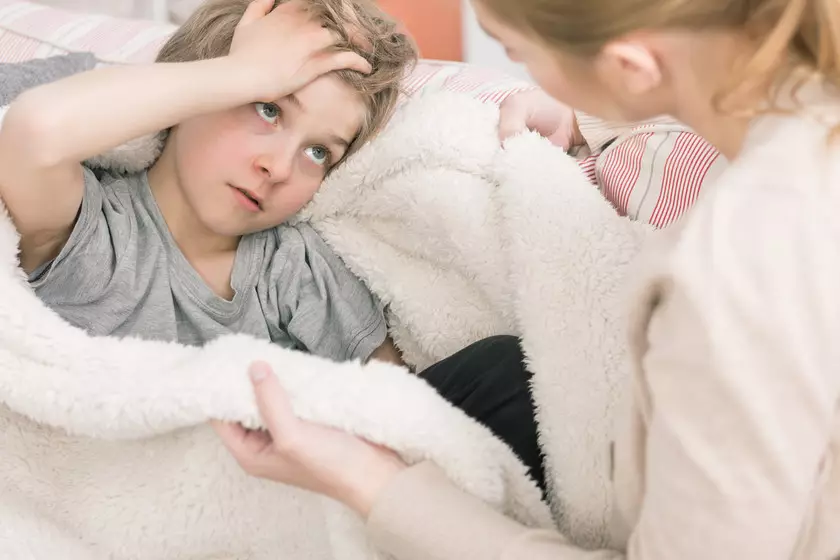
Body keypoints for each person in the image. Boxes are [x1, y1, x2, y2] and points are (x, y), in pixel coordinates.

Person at [214, 0, 840, 558]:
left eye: (515, 51)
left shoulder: (734, 272)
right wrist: (592, 113)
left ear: (630, 65)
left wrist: (375, 485)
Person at [0, 0, 548, 493]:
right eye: (267, 109)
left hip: (288, 508)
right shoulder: (95, 230)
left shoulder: (297, 265)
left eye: (318, 153)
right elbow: (32, 131)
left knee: (505, 371)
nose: (279, 167)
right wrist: (244, 72)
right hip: (118, 495)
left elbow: (396, 410)